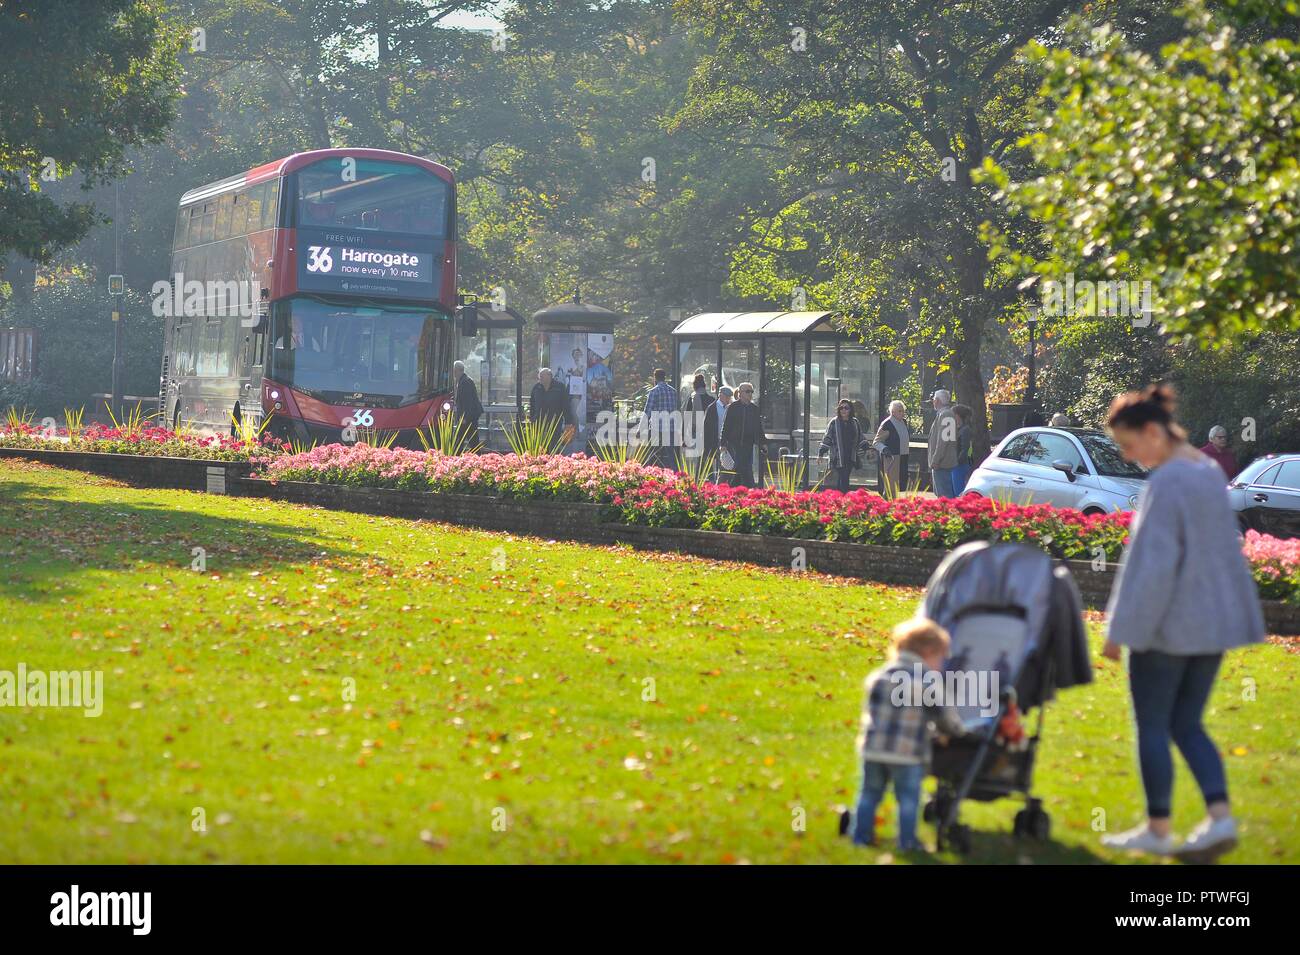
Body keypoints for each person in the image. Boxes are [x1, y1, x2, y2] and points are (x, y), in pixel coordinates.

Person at [1100, 384, 1264, 861]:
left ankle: (1158, 827)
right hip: (1212, 624)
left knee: (1151, 723)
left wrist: (1120, 630)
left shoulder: (1168, 481)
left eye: (1129, 445)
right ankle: (1220, 819)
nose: (1129, 458)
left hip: (1167, 625)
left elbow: (1150, 565)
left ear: (1152, 431)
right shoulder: (1209, 472)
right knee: (1187, 724)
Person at [841, 617, 966, 851]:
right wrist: (957, 730)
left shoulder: (879, 676)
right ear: (928, 651)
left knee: (868, 794)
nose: (941, 664)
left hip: (873, 749)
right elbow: (943, 716)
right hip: (907, 754)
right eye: (940, 658)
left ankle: (860, 836)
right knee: (908, 800)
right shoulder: (927, 682)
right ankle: (907, 843)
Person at [819, 399, 868, 493]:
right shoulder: (834, 422)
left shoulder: (855, 422)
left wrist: (867, 448)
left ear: (850, 410)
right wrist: (821, 453)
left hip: (850, 456)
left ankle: (840, 498)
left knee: (844, 479)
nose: (843, 410)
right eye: (841, 408)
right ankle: (842, 498)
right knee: (843, 479)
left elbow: (860, 437)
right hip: (837, 457)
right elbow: (827, 438)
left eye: (846, 408)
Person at [721, 381, 763, 487]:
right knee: (740, 468)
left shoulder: (754, 409)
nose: (750, 394)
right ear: (740, 393)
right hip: (734, 444)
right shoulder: (733, 407)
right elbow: (726, 426)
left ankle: (739, 489)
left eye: (751, 391)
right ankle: (749, 488)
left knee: (744, 468)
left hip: (748, 444)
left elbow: (758, 428)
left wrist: (763, 442)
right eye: (747, 391)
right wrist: (723, 444)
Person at [642, 368, 679, 470]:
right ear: (664, 377)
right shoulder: (673, 391)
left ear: (655, 378)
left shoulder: (654, 391)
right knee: (671, 454)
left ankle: (651, 474)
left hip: (656, 427)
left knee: (653, 453)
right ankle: (676, 475)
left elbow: (647, 411)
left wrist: (640, 428)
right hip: (670, 427)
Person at [528, 367, 574, 450]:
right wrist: (532, 419)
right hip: (539, 422)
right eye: (539, 376)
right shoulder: (536, 388)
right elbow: (532, 405)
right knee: (539, 447)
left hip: (554, 422)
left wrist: (568, 422)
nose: (540, 378)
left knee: (554, 446)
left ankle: (553, 461)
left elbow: (566, 405)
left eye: (542, 376)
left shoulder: (560, 387)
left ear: (549, 376)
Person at [873, 400, 910, 496]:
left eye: (903, 411)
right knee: (890, 488)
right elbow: (876, 442)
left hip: (903, 458)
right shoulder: (887, 424)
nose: (902, 413)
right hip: (892, 459)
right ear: (892, 412)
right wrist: (884, 449)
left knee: (899, 487)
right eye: (899, 411)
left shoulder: (904, 422)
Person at [927, 389, 958, 498]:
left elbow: (943, 441)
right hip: (943, 462)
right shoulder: (945, 414)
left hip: (943, 463)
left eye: (934, 399)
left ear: (938, 401)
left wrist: (936, 460)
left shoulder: (946, 415)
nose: (933, 402)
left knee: (944, 495)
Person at [451, 360, 483, 451]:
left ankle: (455, 459)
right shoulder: (464, 381)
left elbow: (468, 402)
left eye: (454, 371)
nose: (453, 374)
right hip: (468, 418)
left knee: (459, 441)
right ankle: (477, 458)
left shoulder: (465, 382)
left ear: (457, 370)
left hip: (467, 418)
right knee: (472, 442)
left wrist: (464, 418)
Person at [703, 385, 732, 479]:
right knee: (713, 464)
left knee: (724, 465)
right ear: (721, 395)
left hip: (725, 441)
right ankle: (713, 482)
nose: (728, 399)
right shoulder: (712, 408)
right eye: (727, 396)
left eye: (729, 397)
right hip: (714, 441)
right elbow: (706, 427)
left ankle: (720, 483)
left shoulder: (730, 408)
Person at [951, 404, 974, 495]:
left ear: (957, 415)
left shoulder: (965, 430)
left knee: (958, 491)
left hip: (960, 465)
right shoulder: (959, 429)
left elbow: (966, 449)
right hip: (957, 465)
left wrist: (957, 462)